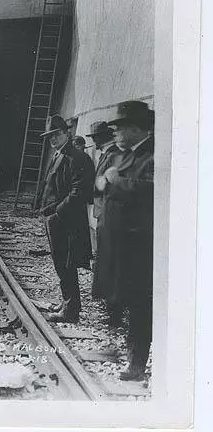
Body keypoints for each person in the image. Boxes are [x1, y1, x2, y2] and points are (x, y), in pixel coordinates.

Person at [95, 100, 154, 381]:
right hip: (119, 243)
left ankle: (137, 362)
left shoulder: (153, 155)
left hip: (140, 244)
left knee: (141, 303)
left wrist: (116, 181)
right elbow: (103, 182)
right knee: (127, 300)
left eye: (119, 128)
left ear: (135, 128)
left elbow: (152, 190)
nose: (115, 133)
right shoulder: (122, 155)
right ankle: (131, 354)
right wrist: (105, 181)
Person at [34, 115, 93, 323]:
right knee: (60, 263)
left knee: (67, 264)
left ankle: (71, 310)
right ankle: (67, 302)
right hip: (55, 219)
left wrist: (57, 212)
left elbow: (79, 192)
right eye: (50, 136)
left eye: (56, 134)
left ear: (67, 133)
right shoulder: (59, 154)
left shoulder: (76, 157)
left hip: (66, 221)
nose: (52, 139)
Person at [87, 121, 123, 326]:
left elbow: (107, 186)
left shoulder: (113, 155)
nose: (95, 143)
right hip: (104, 215)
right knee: (106, 260)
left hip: (110, 216)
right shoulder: (108, 154)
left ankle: (113, 312)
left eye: (95, 139)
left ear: (101, 139)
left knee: (110, 261)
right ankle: (110, 308)